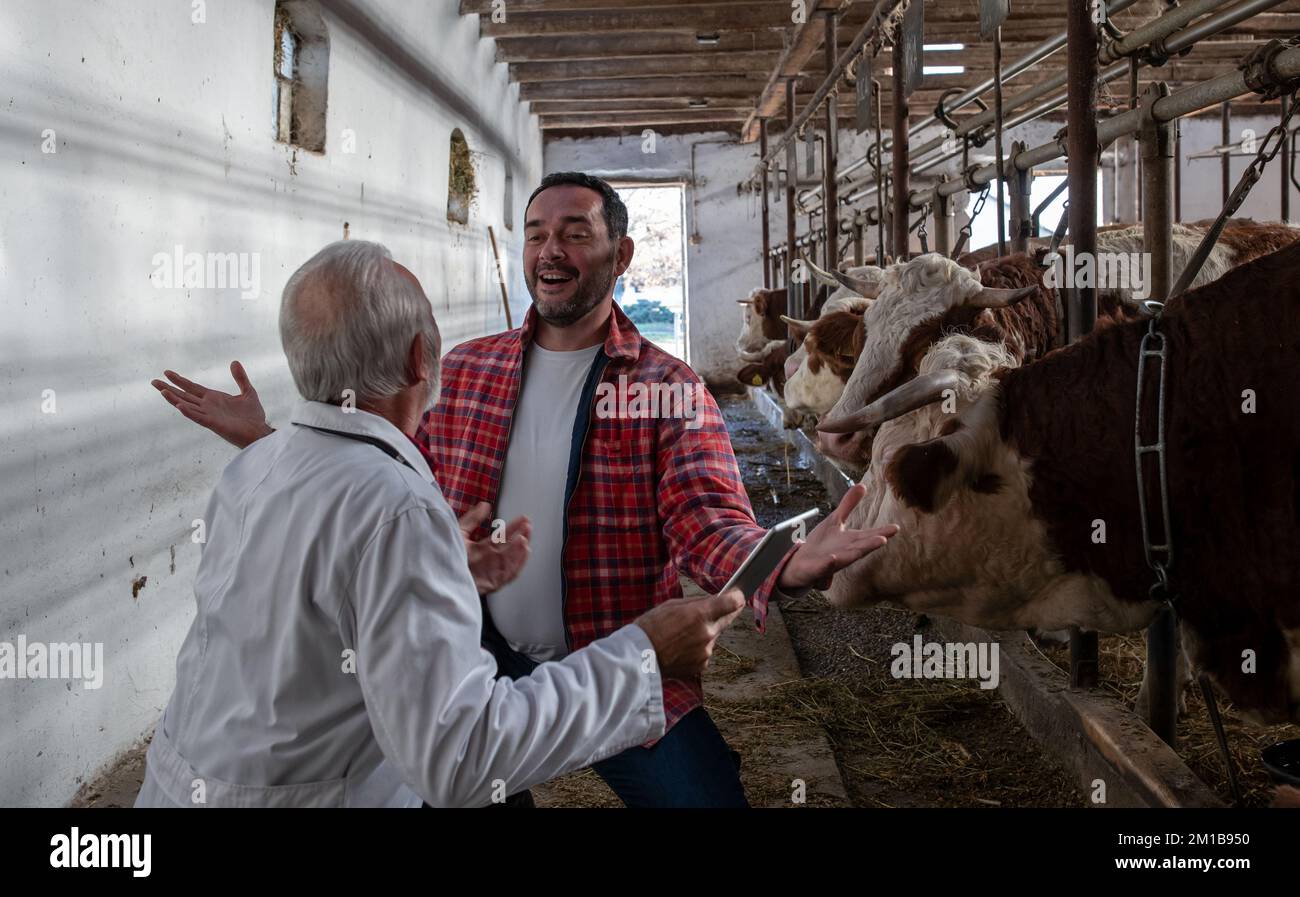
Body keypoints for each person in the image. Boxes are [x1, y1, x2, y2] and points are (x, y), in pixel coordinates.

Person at [153, 172, 898, 807]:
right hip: (472, 647)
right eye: (536, 234)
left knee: (703, 799)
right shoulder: (467, 370)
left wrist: (784, 559)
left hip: (612, 646)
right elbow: (379, 472)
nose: (550, 250)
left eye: (575, 233)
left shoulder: (668, 388)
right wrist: (282, 443)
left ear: (621, 255)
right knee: (467, 783)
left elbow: (709, 523)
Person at [135, 240, 746, 808]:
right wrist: (643, 654)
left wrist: (445, 569)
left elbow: (321, 596)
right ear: (417, 359)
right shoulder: (397, 505)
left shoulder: (260, 462)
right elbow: (459, 758)